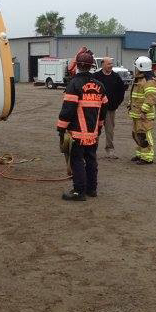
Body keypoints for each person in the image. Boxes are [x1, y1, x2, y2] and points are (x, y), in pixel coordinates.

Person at [57, 48, 108, 201]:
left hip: (77, 133)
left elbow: (68, 109)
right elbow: (103, 109)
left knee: (76, 160)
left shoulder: (74, 84)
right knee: (91, 159)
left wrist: (61, 128)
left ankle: (79, 191)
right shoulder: (100, 86)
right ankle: (92, 189)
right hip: (92, 133)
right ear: (92, 65)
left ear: (78, 65)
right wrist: (98, 128)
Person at [93, 57, 127, 159]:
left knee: (110, 130)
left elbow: (121, 91)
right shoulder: (96, 77)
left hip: (110, 109)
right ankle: (92, 150)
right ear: (103, 64)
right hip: (97, 109)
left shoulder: (116, 77)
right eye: (109, 64)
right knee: (95, 130)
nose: (111, 66)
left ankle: (110, 149)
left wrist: (116, 104)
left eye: (111, 64)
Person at [128, 55, 156, 165]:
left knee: (144, 135)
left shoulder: (148, 81)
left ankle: (147, 157)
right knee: (137, 135)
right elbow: (135, 96)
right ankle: (141, 154)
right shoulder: (140, 79)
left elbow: (150, 98)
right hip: (137, 114)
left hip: (144, 115)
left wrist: (143, 112)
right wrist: (130, 106)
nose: (135, 69)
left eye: (137, 67)